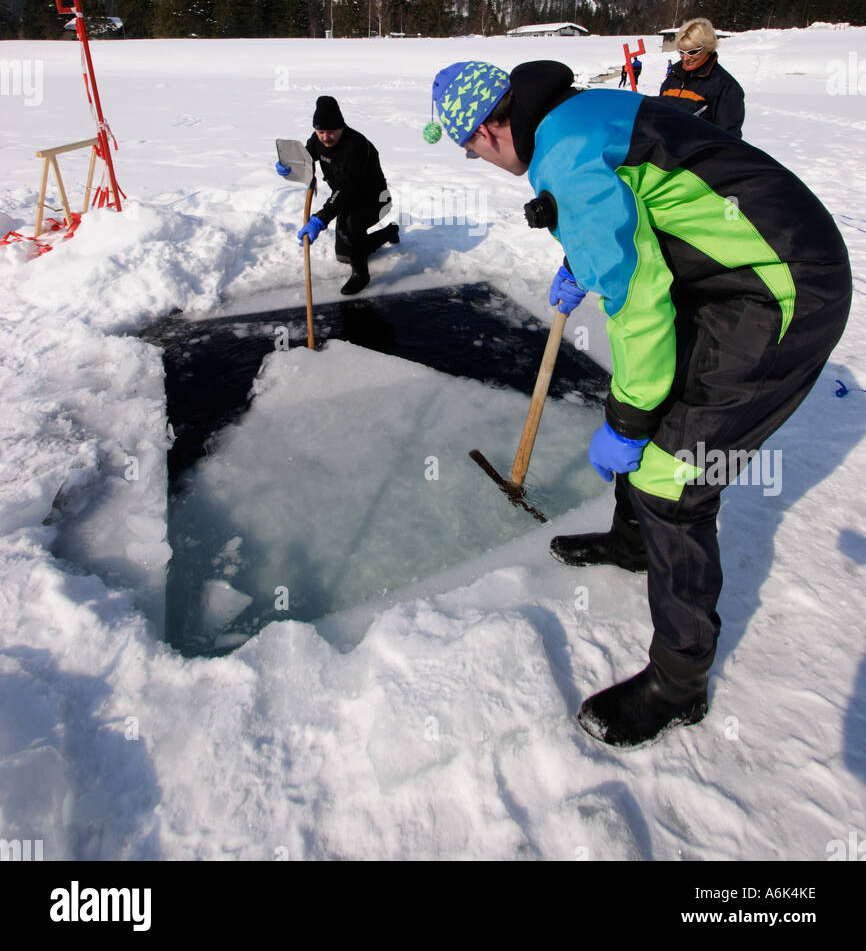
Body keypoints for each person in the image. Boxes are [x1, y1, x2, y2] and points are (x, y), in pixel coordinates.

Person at [428, 59, 851, 747]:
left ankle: (678, 685)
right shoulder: (571, 117)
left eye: (467, 145)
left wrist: (627, 420)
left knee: (673, 476)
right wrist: (582, 261)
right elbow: (637, 209)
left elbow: (641, 303)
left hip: (781, 287)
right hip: (736, 266)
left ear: (491, 127)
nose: (473, 159)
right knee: (645, 413)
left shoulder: (563, 158)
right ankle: (633, 543)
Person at [276, 95, 398, 296]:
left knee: (352, 226)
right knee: (344, 253)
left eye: (331, 132)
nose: (325, 137)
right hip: (348, 198)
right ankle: (388, 233)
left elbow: (347, 188)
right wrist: (290, 166)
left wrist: (319, 220)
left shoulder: (356, 146)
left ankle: (361, 275)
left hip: (375, 200)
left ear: (341, 127)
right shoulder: (317, 140)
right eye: (320, 131)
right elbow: (307, 159)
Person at [658, 18, 745, 137]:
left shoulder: (725, 87)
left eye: (692, 52)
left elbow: (728, 139)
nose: (686, 58)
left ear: (708, 48)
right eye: (681, 52)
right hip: (665, 152)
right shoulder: (673, 79)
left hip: (695, 153)